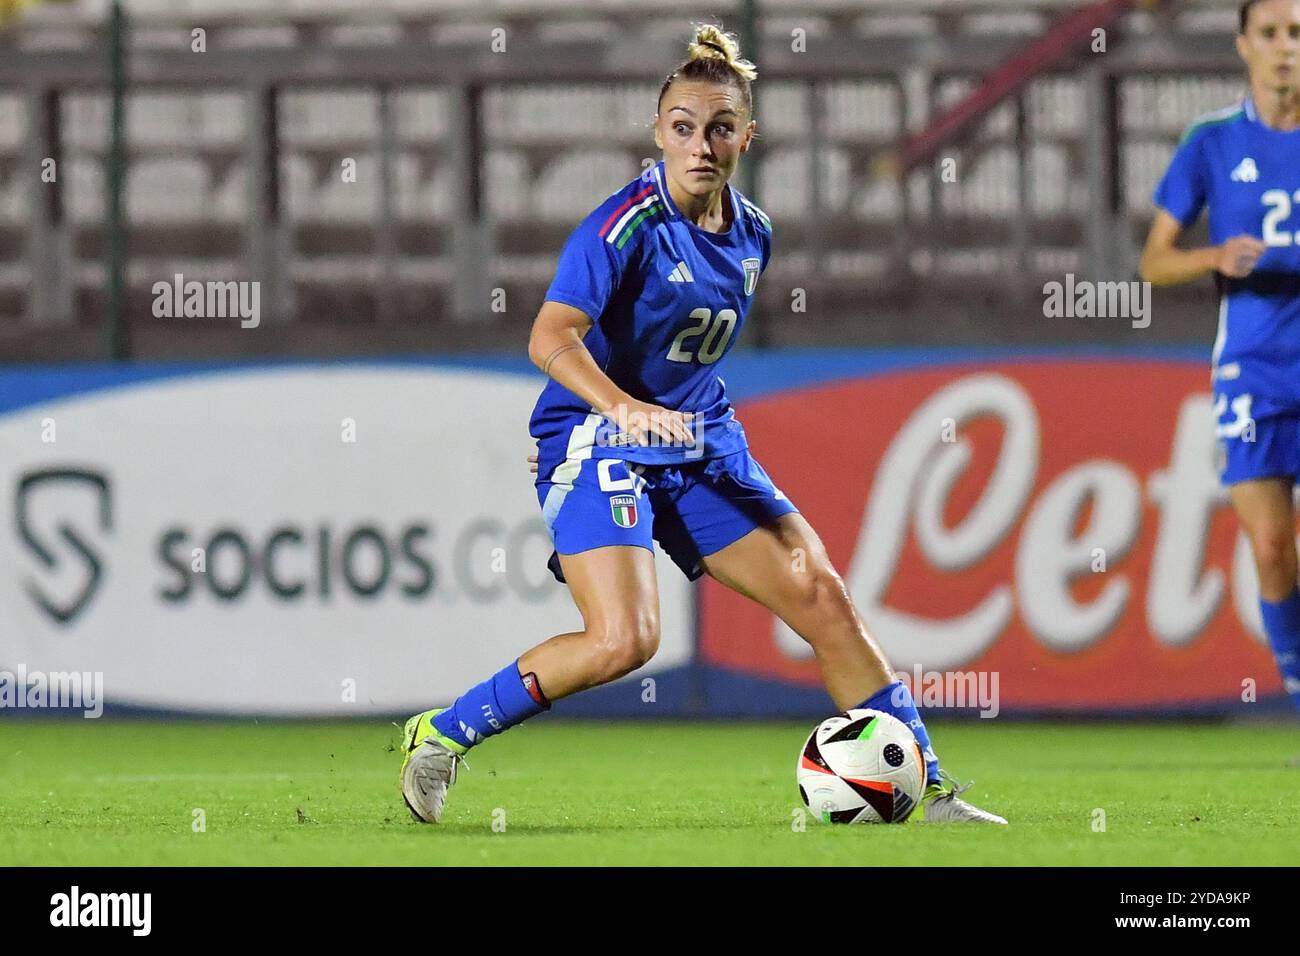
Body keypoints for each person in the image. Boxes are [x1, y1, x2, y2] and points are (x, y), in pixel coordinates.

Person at [399, 23, 1007, 825]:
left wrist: (688, 429)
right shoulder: (623, 225)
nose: (700, 144)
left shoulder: (753, 234)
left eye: (720, 128)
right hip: (598, 437)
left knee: (821, 592)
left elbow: (687, 359)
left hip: (699, 443)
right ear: (659, 132)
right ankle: (439, 734)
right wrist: (622, 409)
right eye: (682, 126)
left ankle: (927, 789)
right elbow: (550, 336)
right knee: (626, 641)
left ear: (746, 138)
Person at [1140, 0, 1300, 715]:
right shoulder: (1210, 141)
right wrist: (1216, 255)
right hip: (1252, 369)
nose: (1285, 48)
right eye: (1271, 33)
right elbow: (1153, 262)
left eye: (1297, 34)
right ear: (1244, 45)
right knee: (1271, 547)